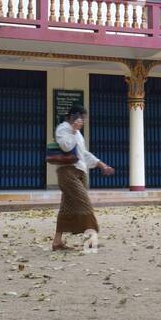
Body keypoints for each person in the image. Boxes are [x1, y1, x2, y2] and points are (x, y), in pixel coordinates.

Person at [51, 105, 113, 251]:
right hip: (68, 173)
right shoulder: (63, 128)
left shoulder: (78, 133)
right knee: (84, 203)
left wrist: (101, 164)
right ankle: (91, 240)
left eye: (84, 118)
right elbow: (66, 146)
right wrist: (72, 129)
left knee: (66, 208)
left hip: (80, 172)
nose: (83, 121)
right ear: (73, 117)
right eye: (81, 118)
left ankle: (57, 242)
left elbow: (83, 153)